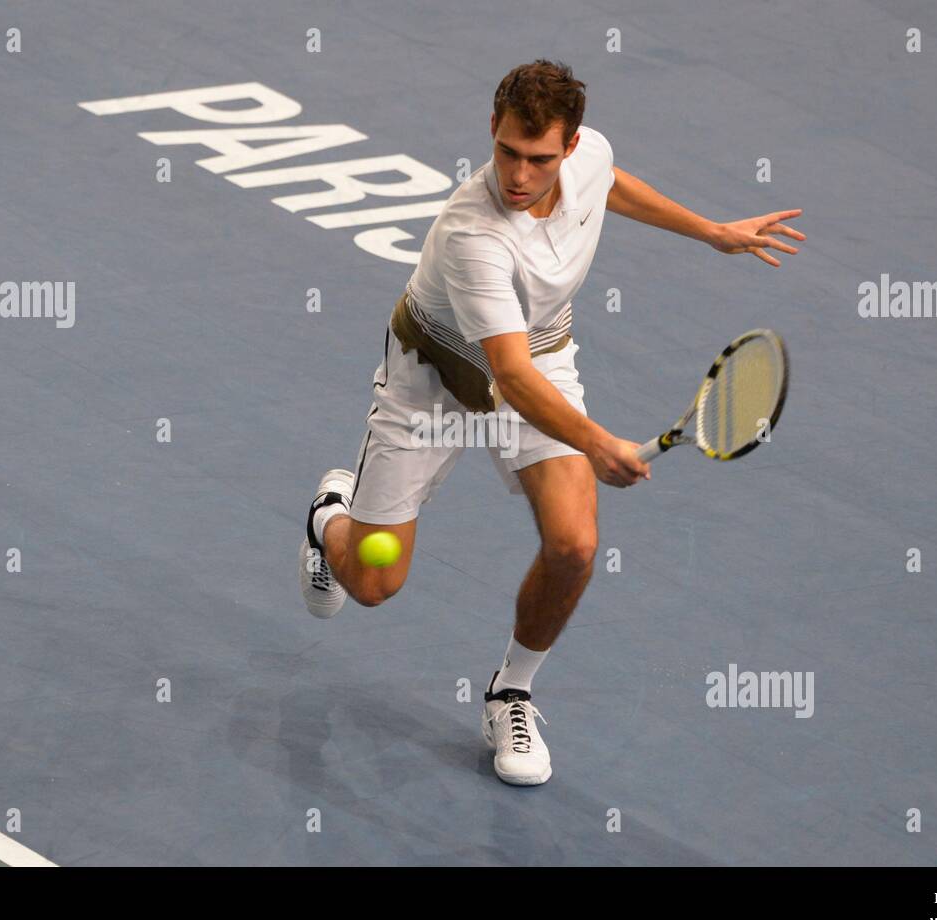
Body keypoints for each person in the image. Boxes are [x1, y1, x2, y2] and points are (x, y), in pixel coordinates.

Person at [300, 59, 805, 786]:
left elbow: (611, 184)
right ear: (493, 134)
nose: (518, 173)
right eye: (507, 151)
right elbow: (508, 379)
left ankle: (512, 691)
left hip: (541, 353)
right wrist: (597, 441)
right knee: (375, 581)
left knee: (574, 544)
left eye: (539, 158)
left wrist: (711, 232)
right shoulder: (472, 235)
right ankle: (328, 516)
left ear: (568, 147)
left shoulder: (588, 156)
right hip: (435, 378)